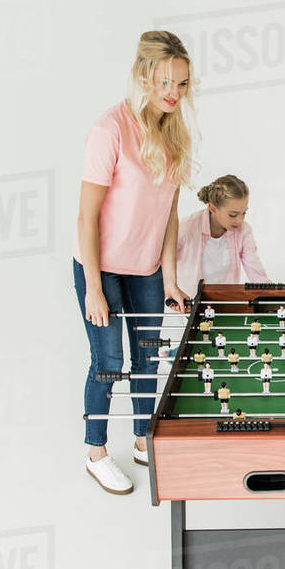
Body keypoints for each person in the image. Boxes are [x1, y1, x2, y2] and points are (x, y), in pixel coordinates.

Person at [74, 30, 194, 495]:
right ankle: (96, 453)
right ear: (143, 77)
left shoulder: (175, 134)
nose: (173, 93)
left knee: (148, 357)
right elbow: (86, 216)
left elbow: (169, 215)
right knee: (108, 361)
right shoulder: (110, 130)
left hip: (146, 268)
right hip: (101, 267)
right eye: (164, 82)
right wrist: (93, 287)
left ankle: (143, 440)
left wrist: (170, 279)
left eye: (181, 83)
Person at [176, 175, 271, 296]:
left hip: (225, 302)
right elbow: (162, 267)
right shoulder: (186, 228)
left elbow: (257, 275)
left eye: (244, 213)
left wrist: (272, 296)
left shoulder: (244, 231)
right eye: (233, 215)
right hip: (188, 303)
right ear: (212, 208)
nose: (240, 220)